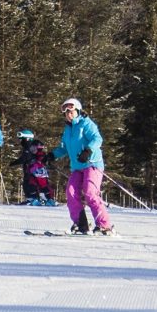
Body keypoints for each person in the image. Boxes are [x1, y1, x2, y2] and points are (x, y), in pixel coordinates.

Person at [52, 98, 112, 235]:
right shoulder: (68, 130)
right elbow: (64, 148)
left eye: (71, 110)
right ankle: (81, 224)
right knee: (71, 193)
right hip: (77, 167)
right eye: (65, 111)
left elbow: (97, 139)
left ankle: (104, 225)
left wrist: (88, 150)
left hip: (92, 163)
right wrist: (51, 155)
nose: (68, 114)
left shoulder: (86, 123)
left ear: (77, 110)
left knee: (90, 192)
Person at [17, 129, 53, 206]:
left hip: (38, 171)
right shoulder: (27, 148)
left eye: (22, 139)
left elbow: (41, 156)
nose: (21, 142)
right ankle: (33, 198)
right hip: (31, 170)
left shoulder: (33, 148)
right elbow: (25, 158)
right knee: (29, 183)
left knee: (41, 184)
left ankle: (48, 199)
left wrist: (45, 160)